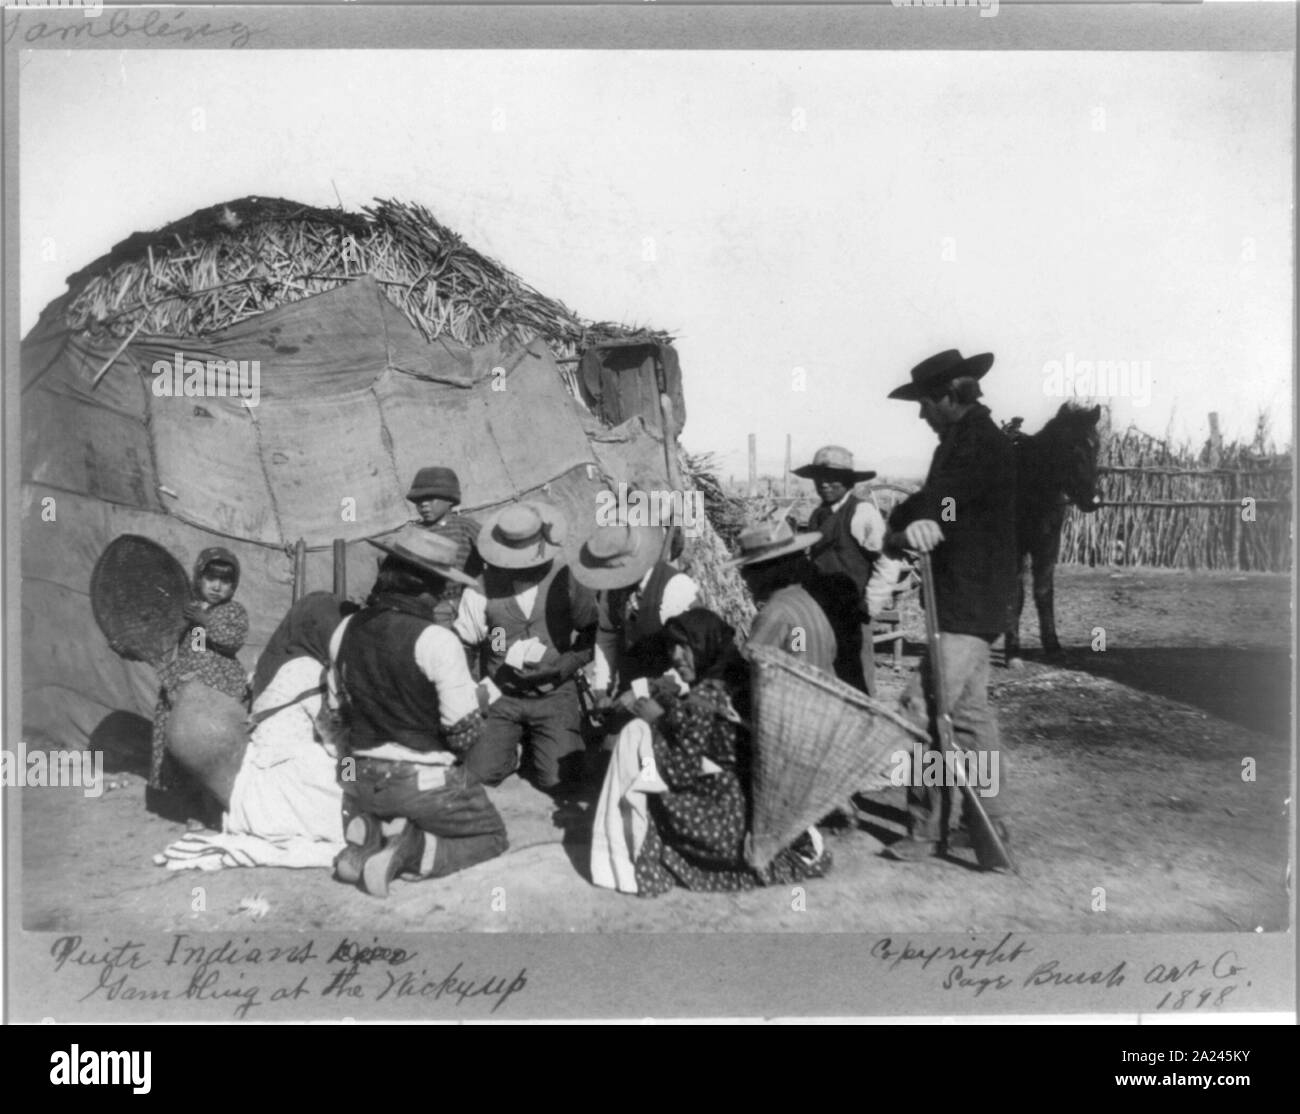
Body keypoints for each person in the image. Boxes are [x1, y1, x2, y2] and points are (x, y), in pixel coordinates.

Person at [882, 348, 1018, 864]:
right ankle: (988, 834)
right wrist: (912, 514)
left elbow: (947, 501)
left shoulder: (981, 444)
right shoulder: (964, 440)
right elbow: (936, 498)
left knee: (921, 705)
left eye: (924, 403)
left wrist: (920, 520)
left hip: (967, 602)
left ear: (946, 398)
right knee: (969, 716)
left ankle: (925, 828)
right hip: (978, 600)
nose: (921, 414)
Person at [591, 607, 831, 896]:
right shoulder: (739, 676)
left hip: (723, 824)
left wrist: (656, 722)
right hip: (752, 808)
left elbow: (680, 772)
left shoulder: (706, 695)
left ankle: (627, 849)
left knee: (639, 746)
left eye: (684, 646)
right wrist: (668, 707)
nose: (676, 656)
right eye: (672, 647)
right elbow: (704, 732)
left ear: (704, 644)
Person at [329, 528, 509, 897]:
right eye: (443, 586)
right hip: (421, 781)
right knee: (492, 837)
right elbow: (462, 733)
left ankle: (373, 832)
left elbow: (338, 713)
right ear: (429, 588)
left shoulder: (345, 630)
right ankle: (411, 850)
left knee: (391, 798)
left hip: (359, 777)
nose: (444, 595)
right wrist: (479, 703)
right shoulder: (437, 641)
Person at [155, 592, 353, 872]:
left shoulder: (270, 663)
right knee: (351, 781)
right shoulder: (307, 669)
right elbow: (333, 740)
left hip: (259, 771)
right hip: (292, 775)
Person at [454, 501, 598, 794]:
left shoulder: (567, 579)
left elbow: (592, 634)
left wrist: (566, 665)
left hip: (555, 693)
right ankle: (512, 753)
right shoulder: (481, 588)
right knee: (477, 775)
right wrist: (476, 691)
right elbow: (467, 644)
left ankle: (542, 746)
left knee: (561, 782)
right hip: (503, 695)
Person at [791, 446, 905, 695]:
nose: (825, 484)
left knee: (857, 680)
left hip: (853, 613)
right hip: (821, 612)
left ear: (848, 481)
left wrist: (870, 606)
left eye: (833, 478)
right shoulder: (818, 515)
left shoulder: (862, 513)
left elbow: (888, 560)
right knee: (826, 678)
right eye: (819, 478)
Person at [150, 547, 249, 808]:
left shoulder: (233, 611)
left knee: (211, 738)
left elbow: (233, 641)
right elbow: (166, 634)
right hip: (186, 677)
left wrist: (206, 622)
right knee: (175, 725)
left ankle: (214, 798)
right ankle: (182, 796)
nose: (217, 586)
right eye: (211, 578)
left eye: (226, 581)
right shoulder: (186, 608)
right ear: (198, 578)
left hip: (217, 684)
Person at [573, 522, 699, 698]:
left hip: (672, 695)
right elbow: (607, 635)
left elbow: (698, 656)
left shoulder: (675, 588)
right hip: (630, 690)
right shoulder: (612, 590)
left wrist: (647, 690)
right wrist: (602, 688)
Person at [728, 521, 837, 675]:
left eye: (748, 570)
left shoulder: (775, 613)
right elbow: (802, 649)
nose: (746, 579)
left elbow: (749, 665)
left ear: (764, 572)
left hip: (790, 695)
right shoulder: (807, 602)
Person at [405, 466, 482, 629]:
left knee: (493, 640)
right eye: (418, 501)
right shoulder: (414, 533)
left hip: (471, 601)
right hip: (432, 608)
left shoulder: (467, 527)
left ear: (450, 500)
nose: (424, 505)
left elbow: (491, 556)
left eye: (430, 499)